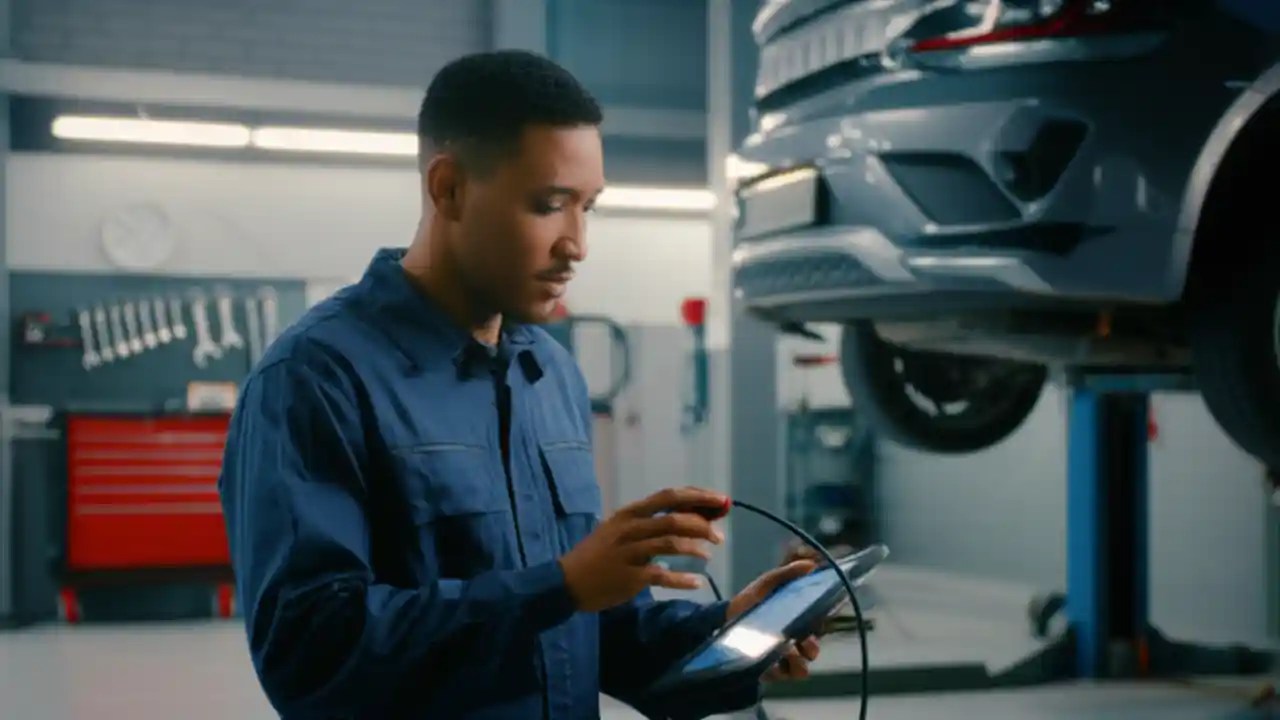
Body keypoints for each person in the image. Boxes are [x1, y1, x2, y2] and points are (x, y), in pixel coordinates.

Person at [217, 49, 821, 720]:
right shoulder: (317, 379)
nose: (577, 244)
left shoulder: (550, 376)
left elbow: (598, 634)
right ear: (449, 188)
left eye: (588, 207)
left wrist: (730, 635)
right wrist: (559, 587)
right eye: (549, 205)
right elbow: (308, 654)